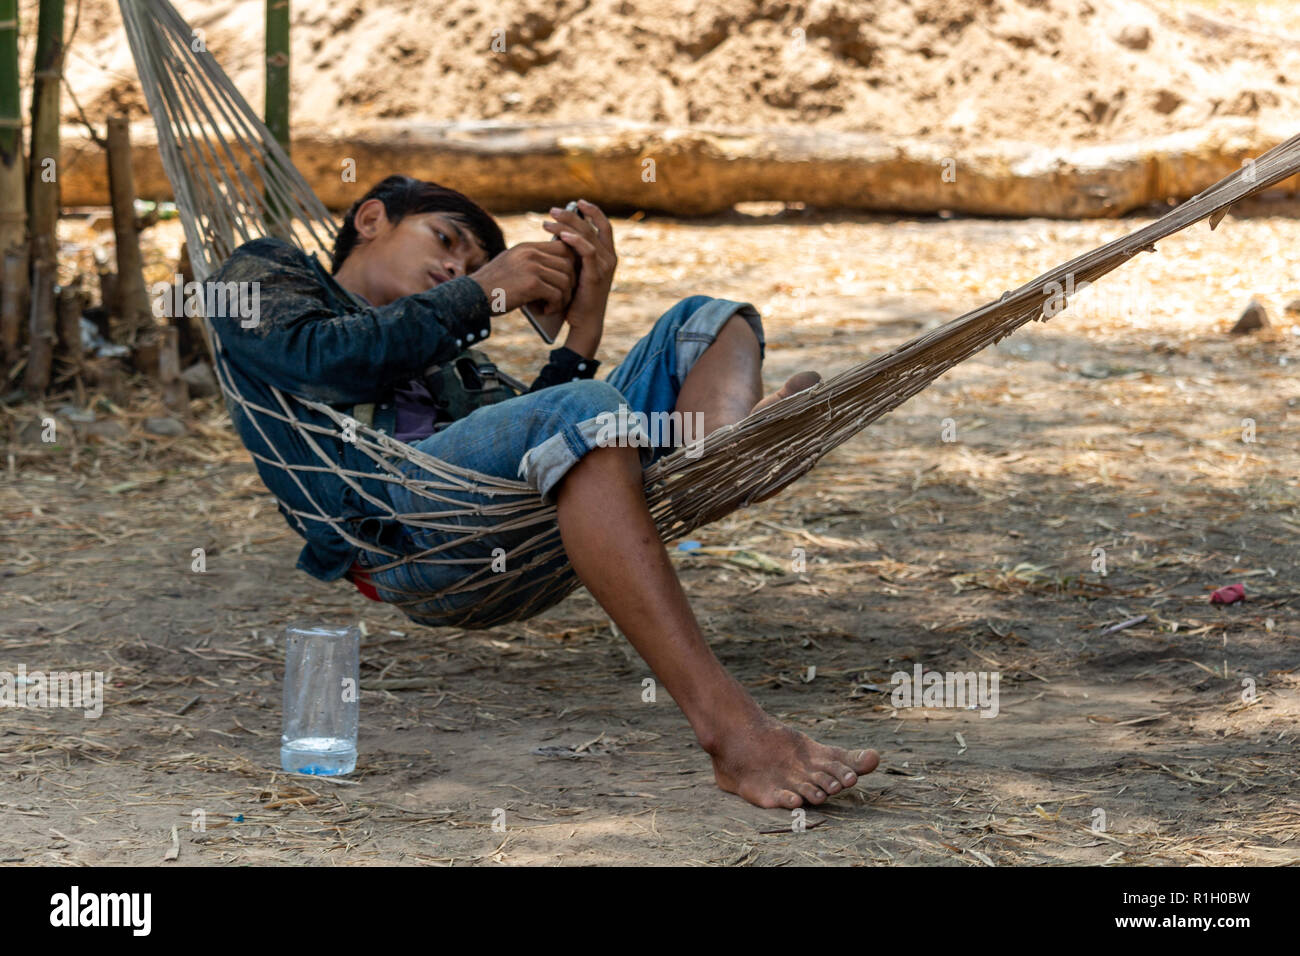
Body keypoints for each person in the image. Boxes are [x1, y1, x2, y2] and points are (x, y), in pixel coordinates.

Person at [206, 175, 879, 808]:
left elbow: (538, 440)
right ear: (372, 218)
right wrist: (479, 294)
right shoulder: (269, 271)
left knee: (705, 319)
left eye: (471, 266)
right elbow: (315, 358)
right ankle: (732, 733)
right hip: (400, 529)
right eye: (446, 241)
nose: (456, 269)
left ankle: (722, 451)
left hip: (496, 521)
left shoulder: (451, 358)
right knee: (582, 410)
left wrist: (588, 317)